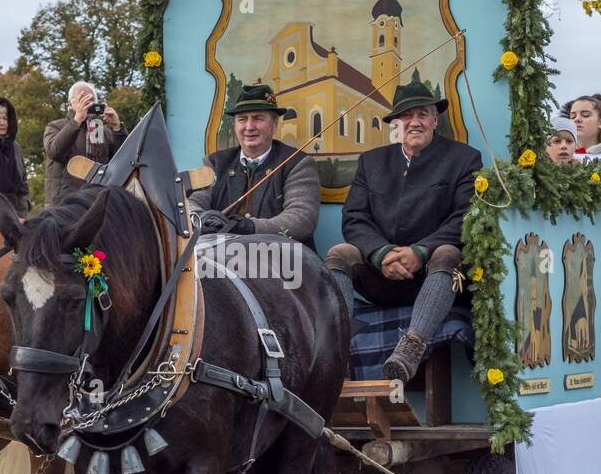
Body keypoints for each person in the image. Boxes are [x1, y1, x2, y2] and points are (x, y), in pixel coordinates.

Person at [325, 80, 482, 381]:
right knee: (339, 254)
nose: (414, 122)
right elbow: (354, 217)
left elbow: (465, 216)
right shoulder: (371, 161)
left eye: (422, 113)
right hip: (380, 273)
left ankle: (412, 346)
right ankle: (338, 350)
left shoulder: (464, 159)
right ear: (397, 122)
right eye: (407, 115)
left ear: (435, 119)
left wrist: (420, 252)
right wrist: (382, 253)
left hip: (431, 274)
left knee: (449, 252)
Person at [188, 83, 319, 249]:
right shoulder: (215, 163)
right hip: (222, 260)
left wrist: (248, 227)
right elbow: (194, 203)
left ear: (274, 125)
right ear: (235, 126)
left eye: (258, 118)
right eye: (242, 119)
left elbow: (301, 220)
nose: (249, 127)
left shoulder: (298, 164)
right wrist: (203, 219)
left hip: (281, 262)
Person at [43, 81, 126, 207]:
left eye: (91, 99)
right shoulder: (55, 127)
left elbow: (122, 161)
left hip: (97, 203)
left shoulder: (101, 130)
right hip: (64, 206)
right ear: (70, 104)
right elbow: (55, 152)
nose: (88, 102)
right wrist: (76, 121)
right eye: (82, 98)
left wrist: (117, 128)